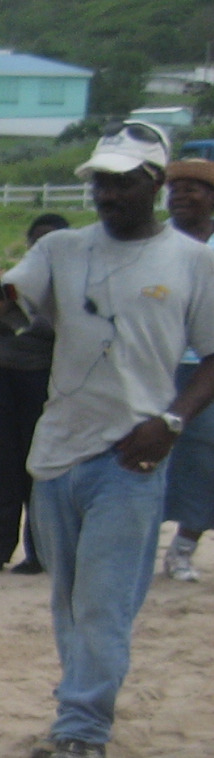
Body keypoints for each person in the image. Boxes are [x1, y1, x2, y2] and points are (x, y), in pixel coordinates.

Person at [0, 121, 214, 758]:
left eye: (121, 181)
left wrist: (172, 420)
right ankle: (72, 718)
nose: (107, 194)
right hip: (57, 453)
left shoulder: (194, 262)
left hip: (132, 458)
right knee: (71, 599)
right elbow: (11, 311)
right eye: (100, 181)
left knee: (105, 601)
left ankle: (85, 732)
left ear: (155, 184)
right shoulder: (61, 248)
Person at [0, 212, 68, 575]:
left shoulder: (70, 293)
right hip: (2, 380)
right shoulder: (13, 285)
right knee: (4, 467)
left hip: (44, 385)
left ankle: (39, 552)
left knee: (38, 469)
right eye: (37, 240)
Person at [159, 158, 214, 580]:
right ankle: (136, 546)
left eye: (193, 189)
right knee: (143, 455)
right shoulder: (153, 242)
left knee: (203, 460)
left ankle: (183, 547)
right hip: (155, 361)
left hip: (205, 367)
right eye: (175, 189)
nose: (181, 197)